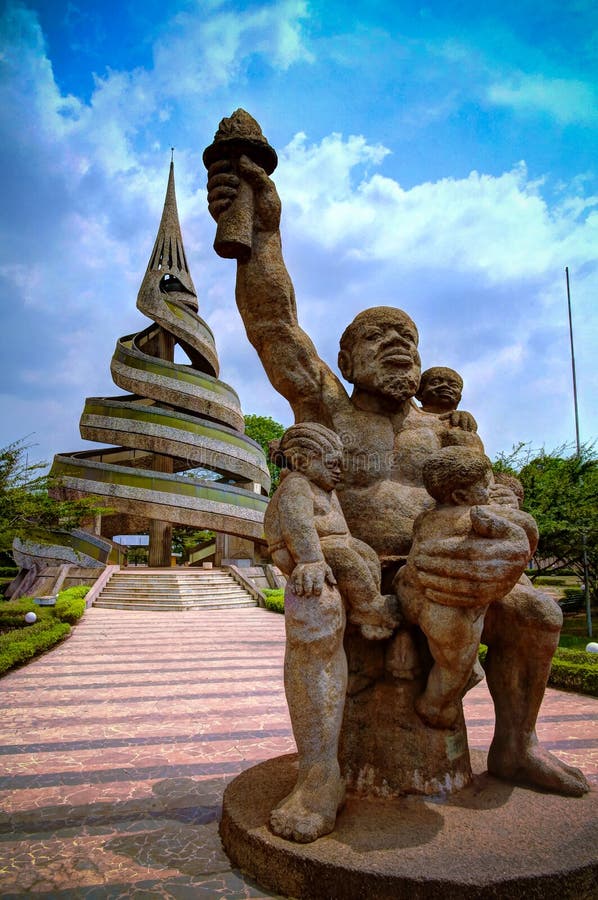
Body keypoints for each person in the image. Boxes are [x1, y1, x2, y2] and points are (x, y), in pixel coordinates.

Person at [206, 149, 588, 842]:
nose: (398, 346)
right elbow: (273, 323)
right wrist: (263, 231)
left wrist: (507, 543)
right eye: (378, 337)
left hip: (436, 574)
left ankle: (516, 745)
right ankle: (320, 774)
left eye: (407, 339)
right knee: (313, 606)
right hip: (349, 571)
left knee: (535, 610)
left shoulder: (445, 431)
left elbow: (498, 501)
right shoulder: (326, 407)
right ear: (344, 360)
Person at [398, 446, 538, 729]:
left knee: (455, 661)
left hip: (421, 596)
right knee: (456, 663)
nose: (491, 491)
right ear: (460, 496)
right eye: (487, 485)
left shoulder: (425, 519)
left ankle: (444, 694)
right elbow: (521, 528)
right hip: (448, 604)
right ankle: (435, 705)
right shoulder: (476, 516)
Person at [265, 422, 397, 640]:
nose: (338, 471)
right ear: (302, 462)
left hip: (337, 543)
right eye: (331, 464)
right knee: (347, 560)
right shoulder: (296, 485)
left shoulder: (325, 489)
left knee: (367, 556)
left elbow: (340, 524)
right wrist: (310, 559)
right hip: (309, 551)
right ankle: (368, 607)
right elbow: (297, 525)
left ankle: (366, 602)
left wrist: (351, 542)